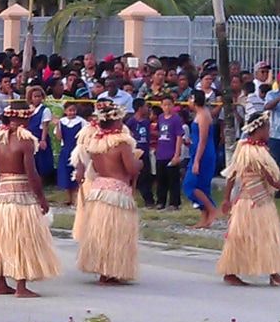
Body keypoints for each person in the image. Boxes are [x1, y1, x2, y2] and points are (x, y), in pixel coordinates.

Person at [0, 102, 60, 298]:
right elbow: (31, 172)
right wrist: (41, 197)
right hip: (20, 196)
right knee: (22, 238)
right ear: (24, 118)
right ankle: (21, 287)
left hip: (2, 195)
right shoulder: (25, 141)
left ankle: (0, 283)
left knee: (1, 238)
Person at [217, 111, 280, 286]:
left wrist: (227, 198)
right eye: (267, 128)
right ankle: (231, 272)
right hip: (252, 202)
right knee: (248, 236)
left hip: (255, 200)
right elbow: (270, 180)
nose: (269, 131)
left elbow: (232, 175)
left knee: (266, 236)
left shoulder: (249, 148)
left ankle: (273, 273)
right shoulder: (251, 151)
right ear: (260, 129)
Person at [71, 104, 141, 285]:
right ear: (116, 120)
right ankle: (111, 271)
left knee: (103, 234)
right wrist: (139, 163)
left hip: (98, 190)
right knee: (115, 234)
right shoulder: (121, 142)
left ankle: (104, 271)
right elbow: (131, 168)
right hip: (116, 193)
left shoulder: (95, 142)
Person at [183, 93, 219, 228]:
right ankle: (204, 219)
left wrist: (197, 160)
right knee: (201, 186)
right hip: (196, 151)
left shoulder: (204, 115)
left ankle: (211, 209)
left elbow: (203, 140)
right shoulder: (199, 114)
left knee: (190, 184)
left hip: (203, 154)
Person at [154, 96, 184, 209]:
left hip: (171, 153)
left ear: (173, 105)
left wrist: (176, 155)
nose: (167, 107)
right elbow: (158, 132)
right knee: (161, 179)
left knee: (173, 180)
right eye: (164, 105)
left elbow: (179, 136)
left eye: (169, 104)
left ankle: (174, 202)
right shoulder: (160, 117)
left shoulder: (175, 119)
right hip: (161, 152)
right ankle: (160, 201)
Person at [55, 101, 85, 206]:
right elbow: (59, 137)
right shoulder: (61, 121)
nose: (72, 112)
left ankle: (78, 197)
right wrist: (57, 125)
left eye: (74, 110)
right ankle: (68, 198)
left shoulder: (81, 121)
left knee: (77, 172)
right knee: (65, 173)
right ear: (65, 111)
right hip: (65, 149)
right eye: (70, 110)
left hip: (77, 149)